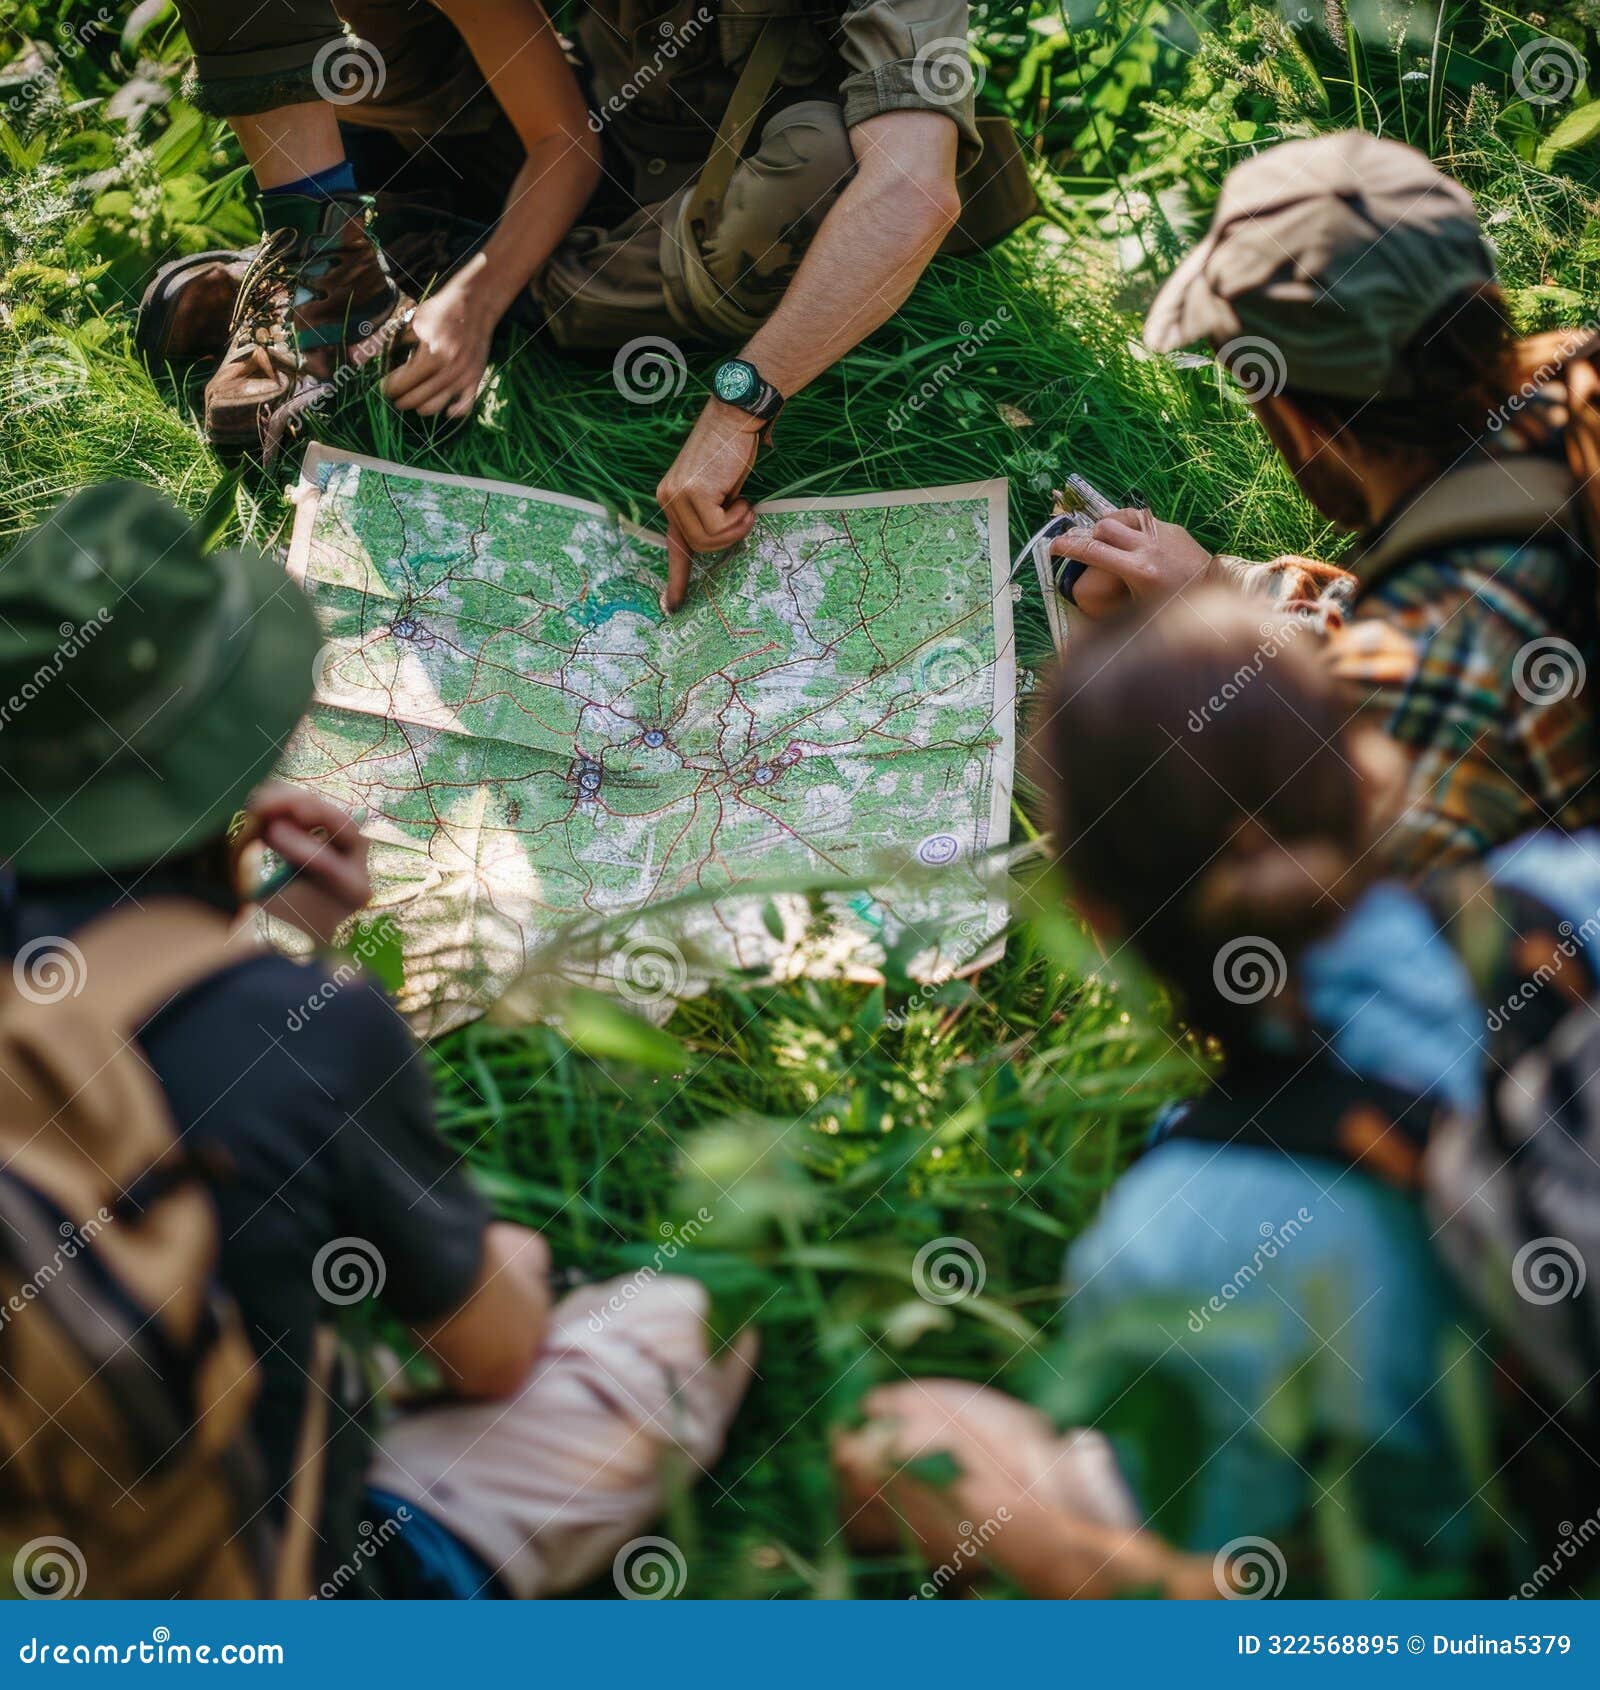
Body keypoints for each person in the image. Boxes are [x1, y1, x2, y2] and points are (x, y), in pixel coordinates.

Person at [0, 480, 753, 1598]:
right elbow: (492, 1353)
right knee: (674, 1324)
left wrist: (265, 930)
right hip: (236, 1602)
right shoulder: (309, 1033)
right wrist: (505, 1262)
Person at [836, 591, 1600, 1598]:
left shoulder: (1166, 1251)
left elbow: (1239, 1590)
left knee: (908, 1440)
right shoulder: (1570, 892)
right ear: (1367, 777)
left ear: (1094, 920)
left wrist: (1055, 1552)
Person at [140, 0, 1034, 605]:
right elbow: (561, 133)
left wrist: (738, 409)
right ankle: (325, 251)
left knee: (822, 164)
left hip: (731, 221)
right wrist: (477, 293)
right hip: (579, 136)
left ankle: (415, 267)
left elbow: (913, 191)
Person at [1049, 131, 1600, 875]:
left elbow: (1333, 898)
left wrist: (1198, 666)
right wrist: (1218, 588)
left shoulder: (1417, 709)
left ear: (1295, 420)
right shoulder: (1570, 400)